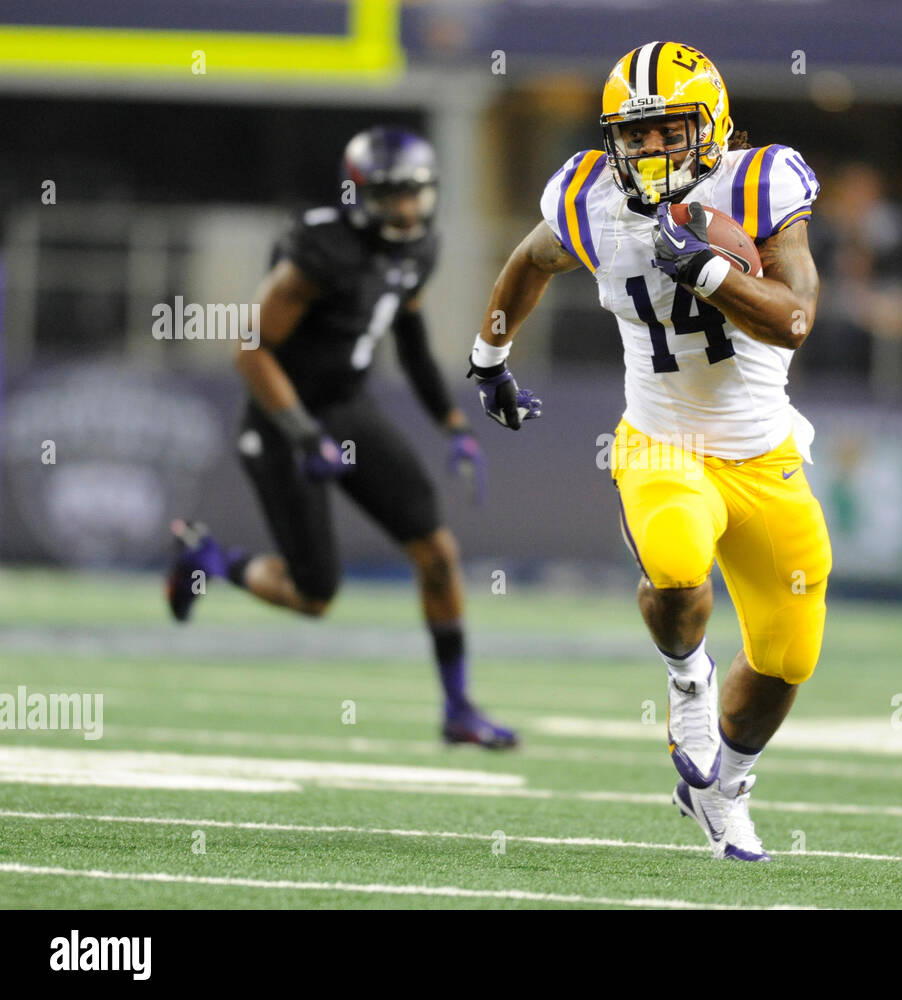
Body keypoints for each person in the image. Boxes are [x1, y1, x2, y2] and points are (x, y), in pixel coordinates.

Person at [467, 42, 832, 859]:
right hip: (662, 442)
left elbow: (795, 318)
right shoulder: (586, 197)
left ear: (711, 127)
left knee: (787, 656)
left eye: (669, 130)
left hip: (764, 454)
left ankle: (726, 787)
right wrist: (490, 357)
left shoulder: (760, 183)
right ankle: (687, 680)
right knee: (673, 563)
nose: (649, 149)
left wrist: (710, 273)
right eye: (633, 135)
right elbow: (530, 260)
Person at [167, 126, 516, 749]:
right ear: (360, 195)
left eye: (415, 194)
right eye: (391, 195)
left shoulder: (418, 246)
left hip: (349, 410)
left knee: (438, 554)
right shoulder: (321, 247)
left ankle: (459, 708)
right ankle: (211, 560)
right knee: (314, 595)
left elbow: (409, 339)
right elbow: (251, 352)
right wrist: (304, 435)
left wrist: (454, 424)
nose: (407, 209)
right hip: (282, 419)